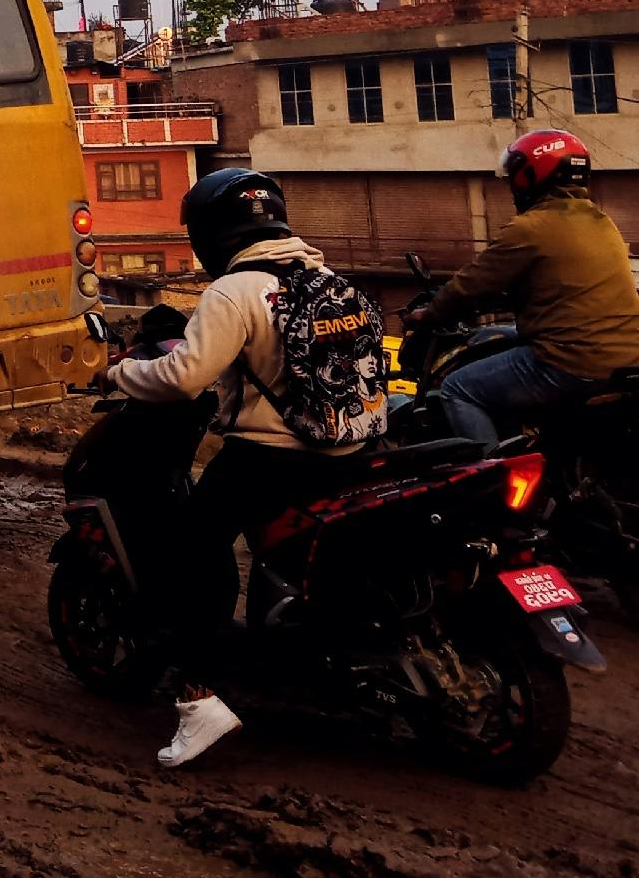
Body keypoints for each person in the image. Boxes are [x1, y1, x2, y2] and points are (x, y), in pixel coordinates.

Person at [107, 168, 387, 769]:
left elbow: (184, 376)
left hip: (270, 458)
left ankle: (199, 700)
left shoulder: (234, 293)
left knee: (193, 554)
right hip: (350, 451)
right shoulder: (325, 276)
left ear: (211, 233)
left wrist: (116, 373)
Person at [408, 129, 639, 448]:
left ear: (534, 175)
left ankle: (493, 482)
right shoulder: (600, 221)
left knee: (459, 389)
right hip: (625, 356)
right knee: (498, 335)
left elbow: (469, 286)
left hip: (573, 362)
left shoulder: (529, 228)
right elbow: (559, 283)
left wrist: (429, 314)